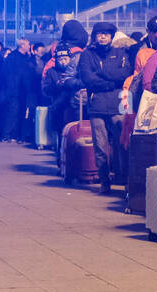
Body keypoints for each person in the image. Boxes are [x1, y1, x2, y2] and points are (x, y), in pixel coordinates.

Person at [77, 21, 133, 194]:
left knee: (122, 144)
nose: (102, 37)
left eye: (106, 34)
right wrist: (110, 82)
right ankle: (104, 181)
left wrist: (102, 74)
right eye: (99, 34)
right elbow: (88, 78)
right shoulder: (87, 54)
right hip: (97, 105)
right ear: (94, 36)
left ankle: (124, 178)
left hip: (117, 104)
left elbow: (125, 74)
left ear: (111, 36)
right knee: (100, 146)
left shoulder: (120, 53)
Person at [43, 43, 86, 162]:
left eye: (65, 59)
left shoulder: (76, 71)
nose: (63, 62)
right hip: (58, 109)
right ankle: (60, 161)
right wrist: (56, 85)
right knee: (60, 137)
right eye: (60, 59)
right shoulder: (51, 72)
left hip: (73, 108)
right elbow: (45, 90)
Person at [0, 39, 38, 144]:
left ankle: (16, 135)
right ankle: (6, 135)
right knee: (12, 112)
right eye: (28, 44)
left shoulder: (26, 57)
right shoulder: (13, 58)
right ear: (22, 45)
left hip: (24, 90)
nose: (30, 46)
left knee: (21, 112)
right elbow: (8, 74)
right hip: (14, 90)